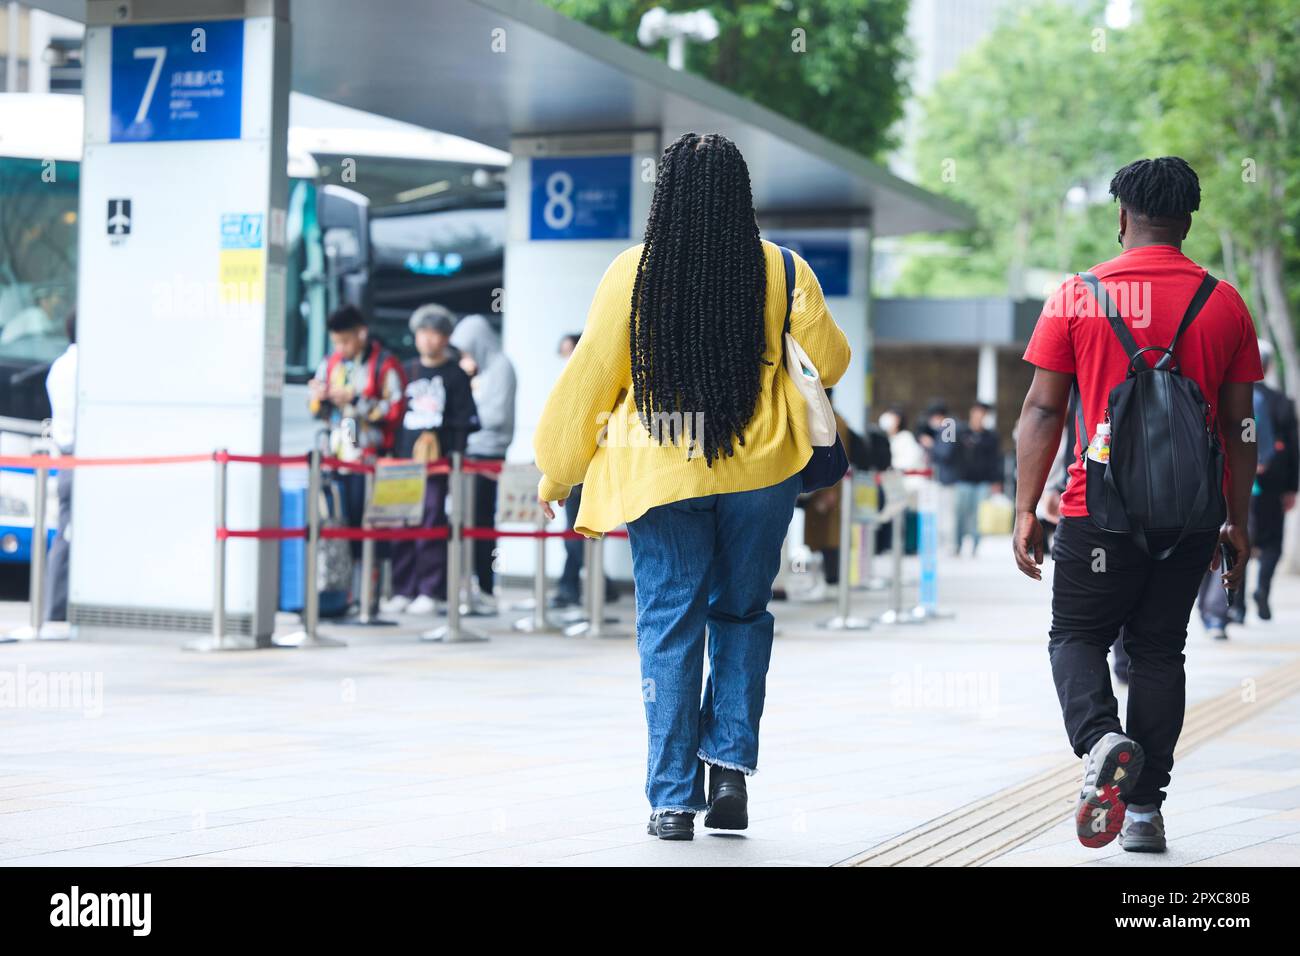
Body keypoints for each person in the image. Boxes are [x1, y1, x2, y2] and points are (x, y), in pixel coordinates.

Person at [533, 132, 850, 841]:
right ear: (740, 195)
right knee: (740, 613)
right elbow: (831, 358)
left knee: (669, 625)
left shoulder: (632, 271)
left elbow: (592, 378)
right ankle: (729, 769)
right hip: (761, 468)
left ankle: (672, 801)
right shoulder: (782, 268)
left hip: (661, 469)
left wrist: (558, 469)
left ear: (665, 192)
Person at [1014, 157, 1261, 854]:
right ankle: (1146, 813)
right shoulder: (1225, 302)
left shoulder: (1077, 296)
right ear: (1188, 220)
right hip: (1188, 518)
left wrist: (1027, 506)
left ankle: (1101, 740)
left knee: (1077, 638)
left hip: (1097, 511)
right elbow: (1241, 428)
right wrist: (1236, 521)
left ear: (1122, 217)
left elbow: (1041, 410)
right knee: (1158, 650)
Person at [383, 304, 479, 616]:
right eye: (423, 333)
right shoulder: (405, 370)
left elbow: (464, 421)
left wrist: (455, 457)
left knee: (431, 522)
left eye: (436, 333)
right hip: (403, 460)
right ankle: (402, 588)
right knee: (401, 522)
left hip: (438, 463)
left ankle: (430, 589)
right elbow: (393, 415)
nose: (428, 340)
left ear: (446, 337)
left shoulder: (456, 375)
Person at [308, 304, 406, 609]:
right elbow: (316, 412)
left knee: (372, 530)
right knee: (339, 528)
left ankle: (371, 597)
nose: (341, 348)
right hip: (335, 460)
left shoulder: (384, 365)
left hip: (370, 461)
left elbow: (395, 410)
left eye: (346, 341)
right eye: (336, 342)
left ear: (361, 333)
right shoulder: (330, 363)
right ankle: (341, 596)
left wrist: (357, 400)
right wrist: (319, 398)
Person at [449, 313, 516, 610]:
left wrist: (468, 417)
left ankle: (486, 587)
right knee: (466, 521)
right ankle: (470, 586)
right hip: (469, 455)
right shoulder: (480, 371)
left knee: (481, 521)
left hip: (488, 454)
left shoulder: (501, 367)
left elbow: (496, 415)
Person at [1247, 340, 1298, 621]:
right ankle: (1262, 588)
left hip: (1236, 484)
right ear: (1267, 365)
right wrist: (1292, 487)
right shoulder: (1280, 402)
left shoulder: (1229, 395)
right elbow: (1292, 448)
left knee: (1237, 539)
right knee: (1272, 543)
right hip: (1273, 484)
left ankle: (1235, 606)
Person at [43, 312, 76, 623]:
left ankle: (55, 612)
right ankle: (58, 614)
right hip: (86, 461)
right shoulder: (86, 368)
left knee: (64, 536)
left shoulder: (59, 367)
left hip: (64, 459)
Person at [953, 401, 1003, 556]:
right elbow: (951, 452)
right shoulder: (961, 433)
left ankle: (975, 545)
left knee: (978, 515)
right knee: (960, 513)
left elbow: (996, 460)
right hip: (963, 480)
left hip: (983, 481)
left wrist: (996, 480)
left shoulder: (991, 437)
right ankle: (958, 544)